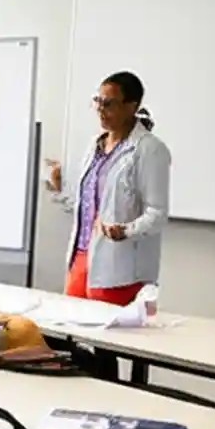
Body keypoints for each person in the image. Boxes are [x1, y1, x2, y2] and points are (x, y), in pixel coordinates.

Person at [46, 71, 171, 306]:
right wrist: (60, 188)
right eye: (98, 102)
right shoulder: (96, 145)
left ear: (131, 106)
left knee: (108, 337)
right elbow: (88, 206)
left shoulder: (149, 150)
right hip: (82, 257)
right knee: (71, 331)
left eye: (109, 104)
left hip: (120, 268)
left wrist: (126, 230)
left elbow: (158, 214)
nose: (101, 110)